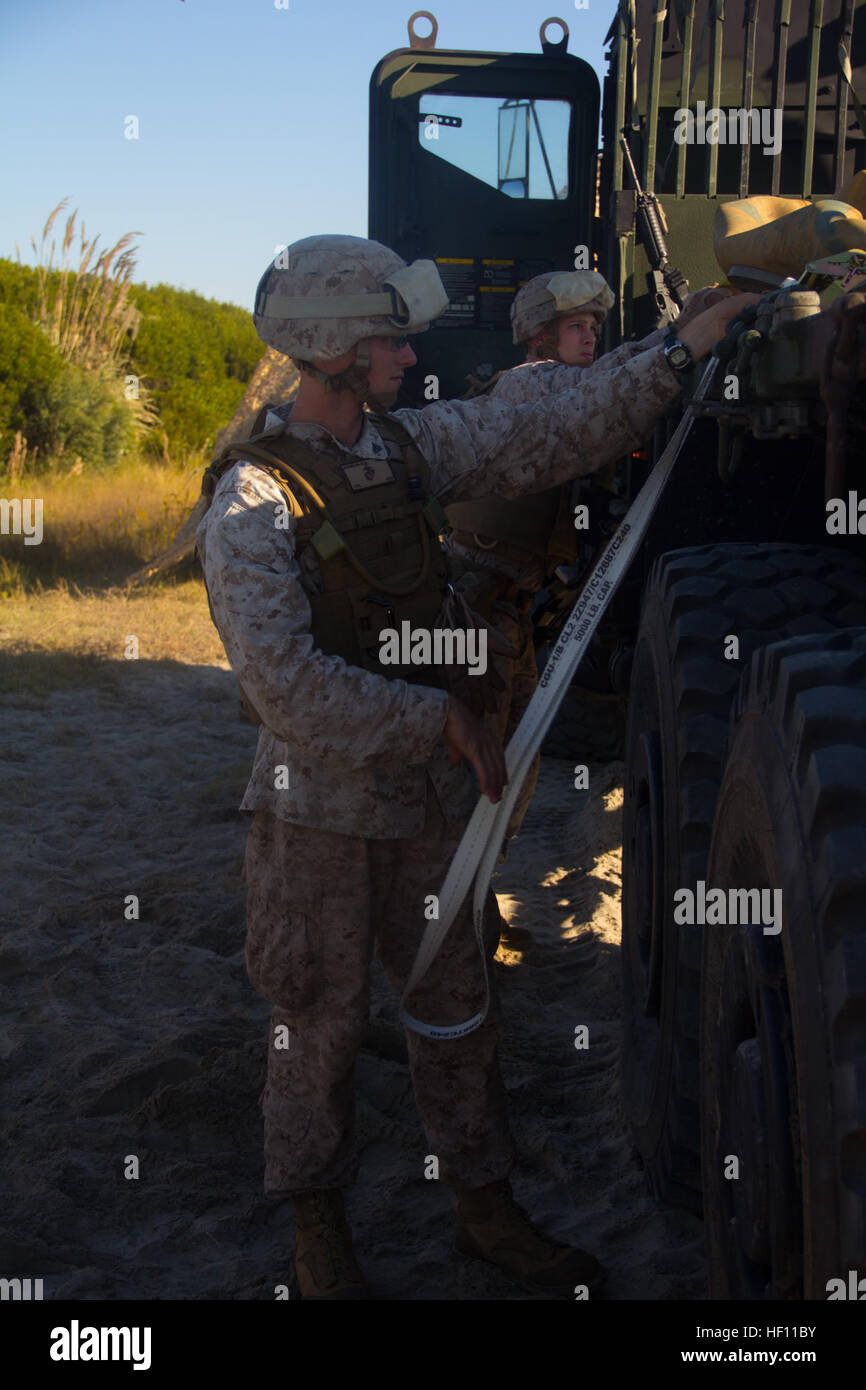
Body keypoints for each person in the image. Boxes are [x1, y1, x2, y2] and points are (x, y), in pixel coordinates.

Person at [195, 234, 755, 1300]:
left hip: (421, 807)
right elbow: (285, 689)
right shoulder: (252, 508)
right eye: (387, 341)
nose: (408, 358)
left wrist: (680, 349)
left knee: (455, 1004)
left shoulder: (407, 450)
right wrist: (437, 721)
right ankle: (319, 1240)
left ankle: (481, 1205)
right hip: (314, 810)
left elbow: (540, 425)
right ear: (328, 353)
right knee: (312, 1020)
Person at [445, 270, 737, 861]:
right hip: (477, 610)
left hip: (509, 614)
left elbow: (614, 368)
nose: (590, 338)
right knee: (470, 776)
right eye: (575, 327)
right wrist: (685, 334)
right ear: (537, 340)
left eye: (594, 327)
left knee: (510, 765)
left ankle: (476, 904)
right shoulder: (528, 387)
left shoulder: (561, 385)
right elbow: (611, 382)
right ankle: (448, 912)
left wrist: (684, 325)